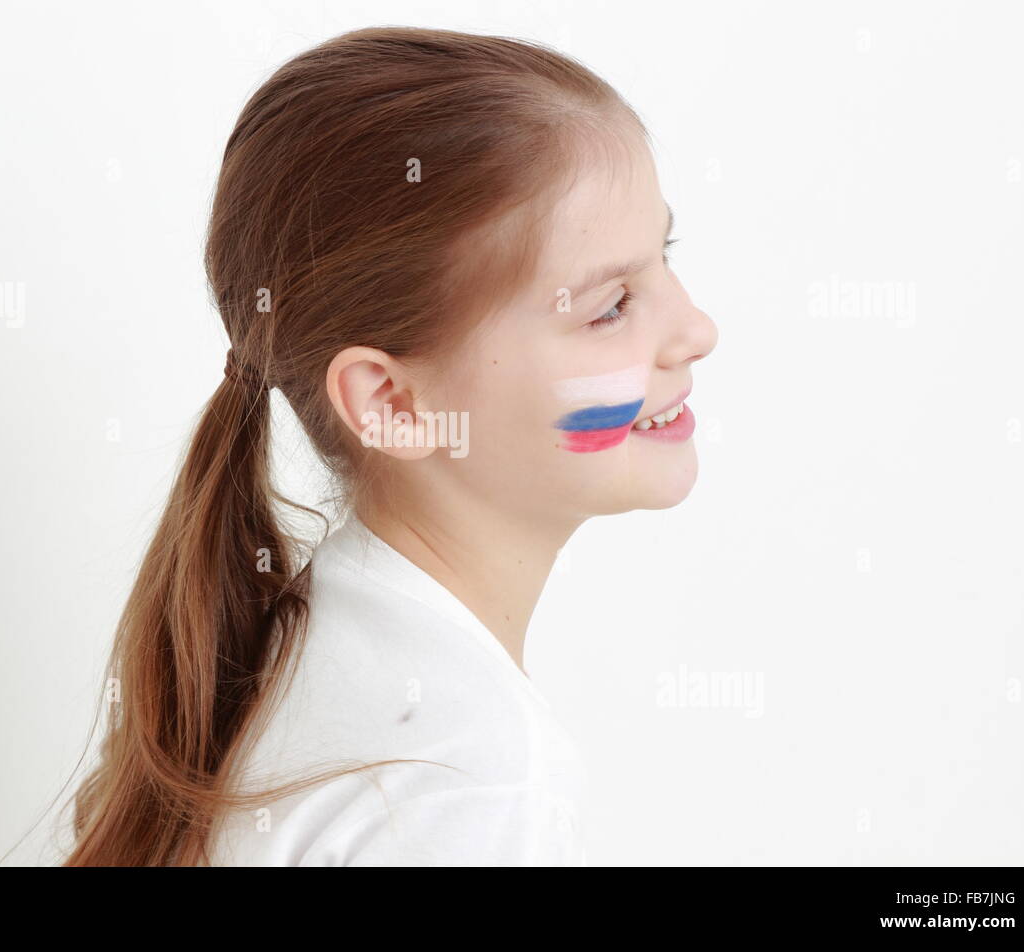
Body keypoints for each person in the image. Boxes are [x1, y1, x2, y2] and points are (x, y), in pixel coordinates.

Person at [63, 25, 717, 866]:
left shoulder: (306, 645)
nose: (696, 329)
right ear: (392, 404)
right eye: (609, 306)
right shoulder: (471, 778)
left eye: (664, 255)